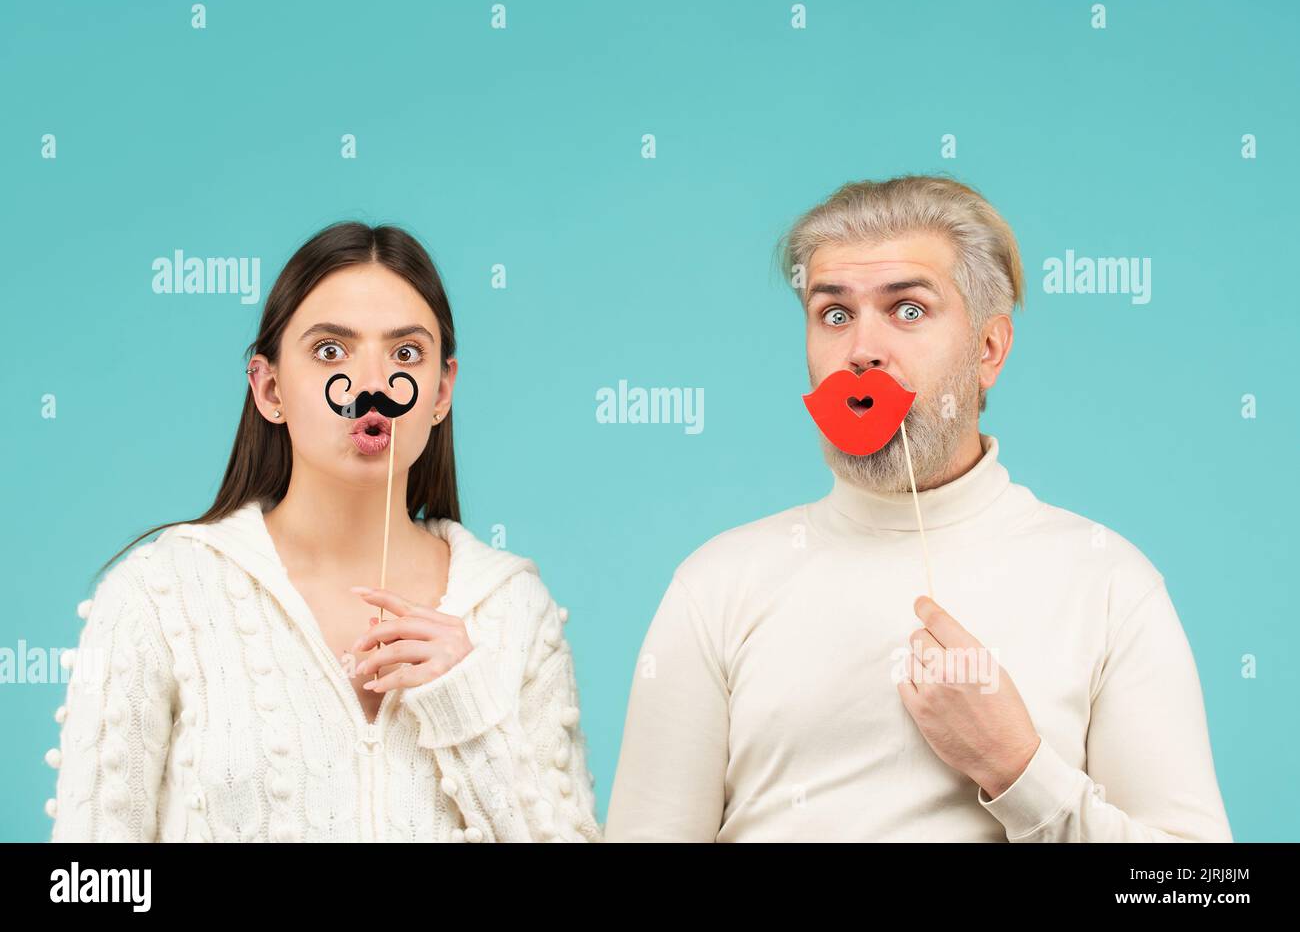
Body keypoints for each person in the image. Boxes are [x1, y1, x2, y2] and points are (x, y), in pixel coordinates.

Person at [604, 175, 1233, 842]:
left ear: (988, 350)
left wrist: (1018, 770)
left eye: (907, 309)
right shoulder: (715, 586)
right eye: (835, 314)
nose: (862, 351)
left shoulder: (1109, 585)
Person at [46, 221, 602, 842]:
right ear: (270, 388)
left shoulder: (515, 610)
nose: (371, 386)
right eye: (331, 350)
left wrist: (466, 704)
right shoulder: (158, 595)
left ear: (442, 391)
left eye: (406, 354)